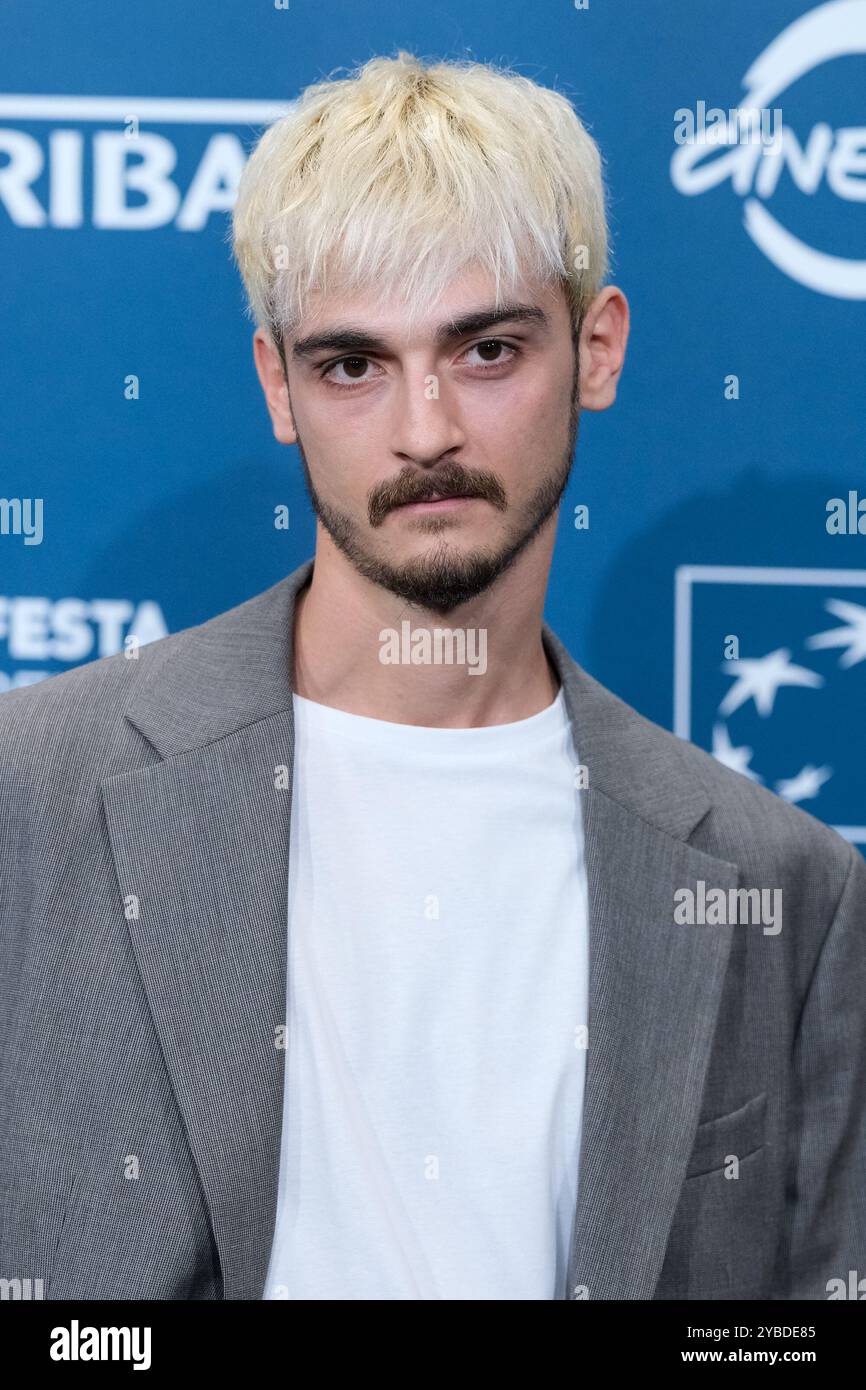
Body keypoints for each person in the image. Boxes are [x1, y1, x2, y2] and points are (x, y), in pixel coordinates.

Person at [1, 51, 864, 1302]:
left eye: (486, 351)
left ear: (597, 348)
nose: (424, 430)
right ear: (276, 387)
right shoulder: (31, 798)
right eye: (352, 364)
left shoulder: (783, 884)